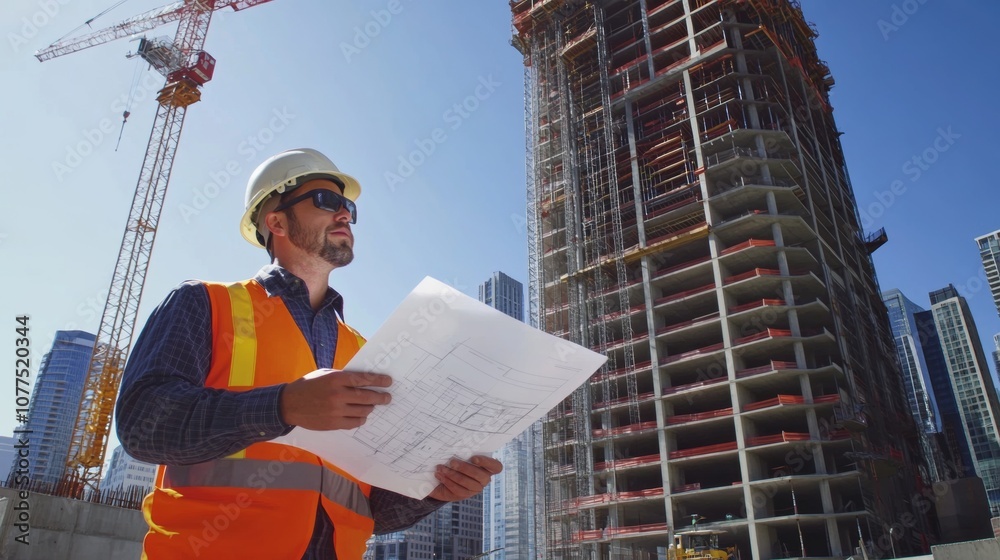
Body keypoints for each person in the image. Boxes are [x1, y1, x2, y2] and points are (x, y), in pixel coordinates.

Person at [116, 148, 502, 559]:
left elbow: (367, 509)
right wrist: (282, 406)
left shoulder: (363, 350)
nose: (345, 215)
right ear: (276, 221)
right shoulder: (204, 303)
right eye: (327, 201)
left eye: (349, 207)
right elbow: (143, 425)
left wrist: (433, 491)